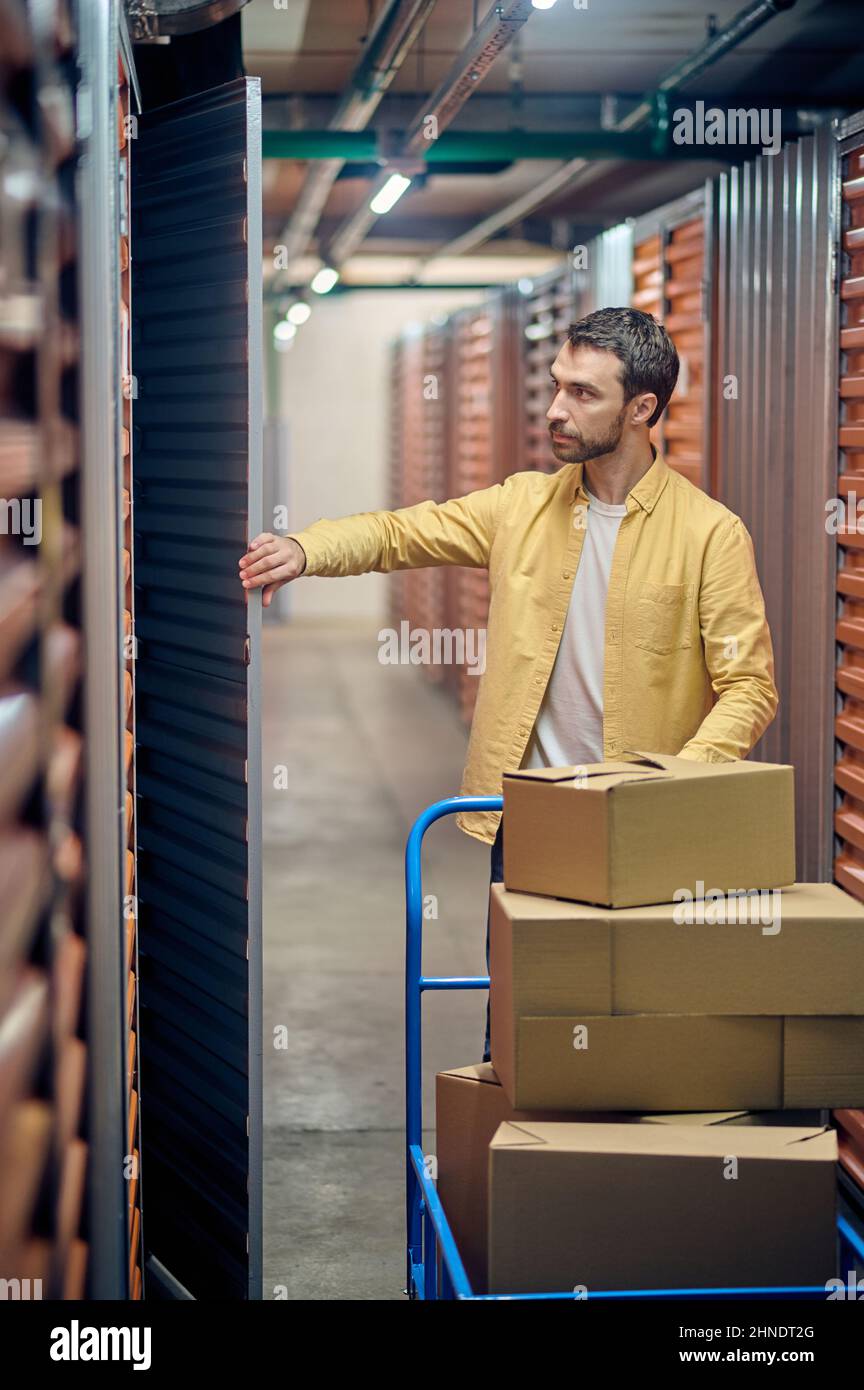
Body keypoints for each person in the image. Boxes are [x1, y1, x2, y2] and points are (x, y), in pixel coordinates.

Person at [238, 306, 779, 1063]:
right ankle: (515, 1170)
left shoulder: (710, 535)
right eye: (556, 385)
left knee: (644, 1036)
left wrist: (672, 788)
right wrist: (304, 547)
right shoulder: (522, 506)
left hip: (649, 827)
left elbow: (749, 686)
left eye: (583, 394)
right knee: (520, 1033)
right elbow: (401, 532)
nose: (555, 408)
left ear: (642, 409)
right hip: (529, 821)